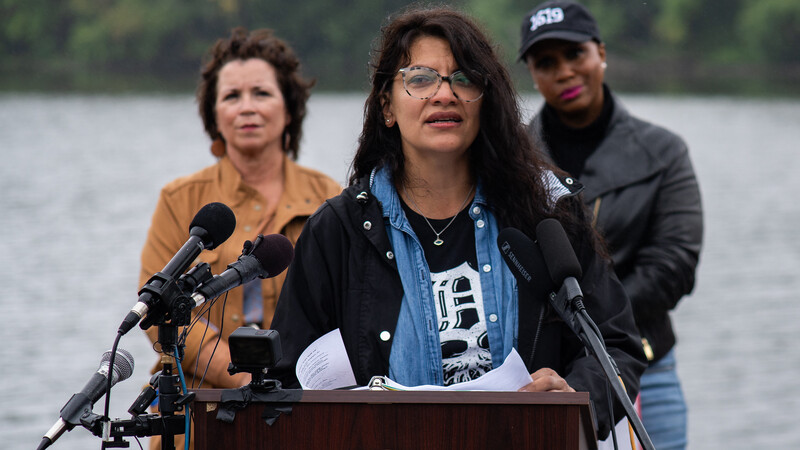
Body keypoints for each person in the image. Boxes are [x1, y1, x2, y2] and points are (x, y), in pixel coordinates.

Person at [270, 6, 646, 440]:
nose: (444, 94)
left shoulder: (547, 210)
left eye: (464, 78)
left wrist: (573, 396)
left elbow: (616, 345)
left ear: (486, 102)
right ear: (387, 106)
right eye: (420, 79)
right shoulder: (340, 229)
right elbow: (286, 380)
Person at [138, 27, 341, 448]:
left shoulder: (334, 199)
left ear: (290, 108)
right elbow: (160, 311)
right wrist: (242, 372)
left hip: (302, 410)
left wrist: (283, 382)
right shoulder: (180, 199)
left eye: (261, 93)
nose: (246, 107)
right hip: (198, 414)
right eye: (231, 96)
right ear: (214, 115)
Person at [518, 2, 703, 449]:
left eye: (575, 54)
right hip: (544, 376)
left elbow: (674, 266)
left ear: (601, 52)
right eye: (546, 62)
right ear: (532, 74)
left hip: (645, 363)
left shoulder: (663, 152)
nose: (563, 72)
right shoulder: (514, 160)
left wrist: (596, 322)